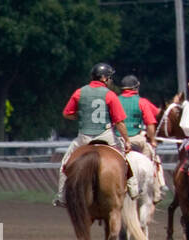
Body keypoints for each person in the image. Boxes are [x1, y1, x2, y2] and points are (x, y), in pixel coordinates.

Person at [55, 62, 135, 206]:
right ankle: (133, 188)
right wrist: (127, 140)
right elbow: (119, 122)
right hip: (105, 135)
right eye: (110, 78)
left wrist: (82, 117)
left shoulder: (79, 92)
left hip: (84, 137)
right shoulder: (110, 95)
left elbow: (67, 114)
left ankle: (61, 196)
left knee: (65, 164)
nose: (111, 80)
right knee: (124, 157)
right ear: (104, 78)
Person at [116, 74, 166, 198]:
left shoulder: (115, 100)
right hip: (136, 140)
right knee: (152, 156)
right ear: (136, 88)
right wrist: (153, 140)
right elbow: (150, 123)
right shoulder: (142, 102)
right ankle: (158, 188)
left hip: (116, 139)